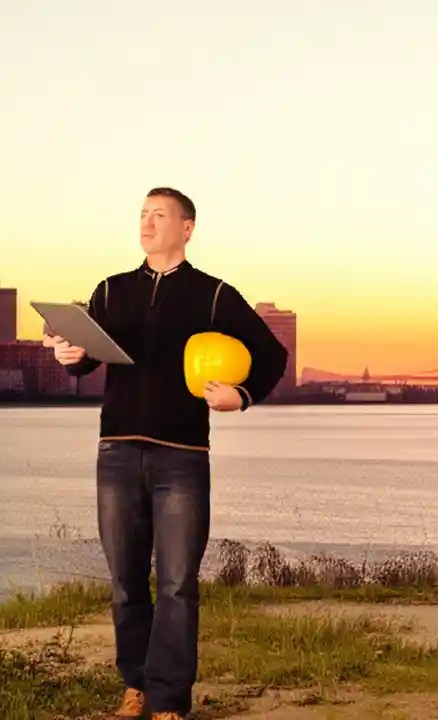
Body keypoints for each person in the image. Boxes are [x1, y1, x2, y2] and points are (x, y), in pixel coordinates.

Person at [43, 187, 288, 720]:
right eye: (142, 215)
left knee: (177, 582)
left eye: (159, 215)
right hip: (116, 451)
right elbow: (86, 360)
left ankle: (170, 699)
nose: (147, 223)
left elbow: (273, 354)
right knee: (126, 579)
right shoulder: (110, 289)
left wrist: (241, 396)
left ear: (187, 228)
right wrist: (72, 354)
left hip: (181, 455)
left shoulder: (215, 295)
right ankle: (136, 685)